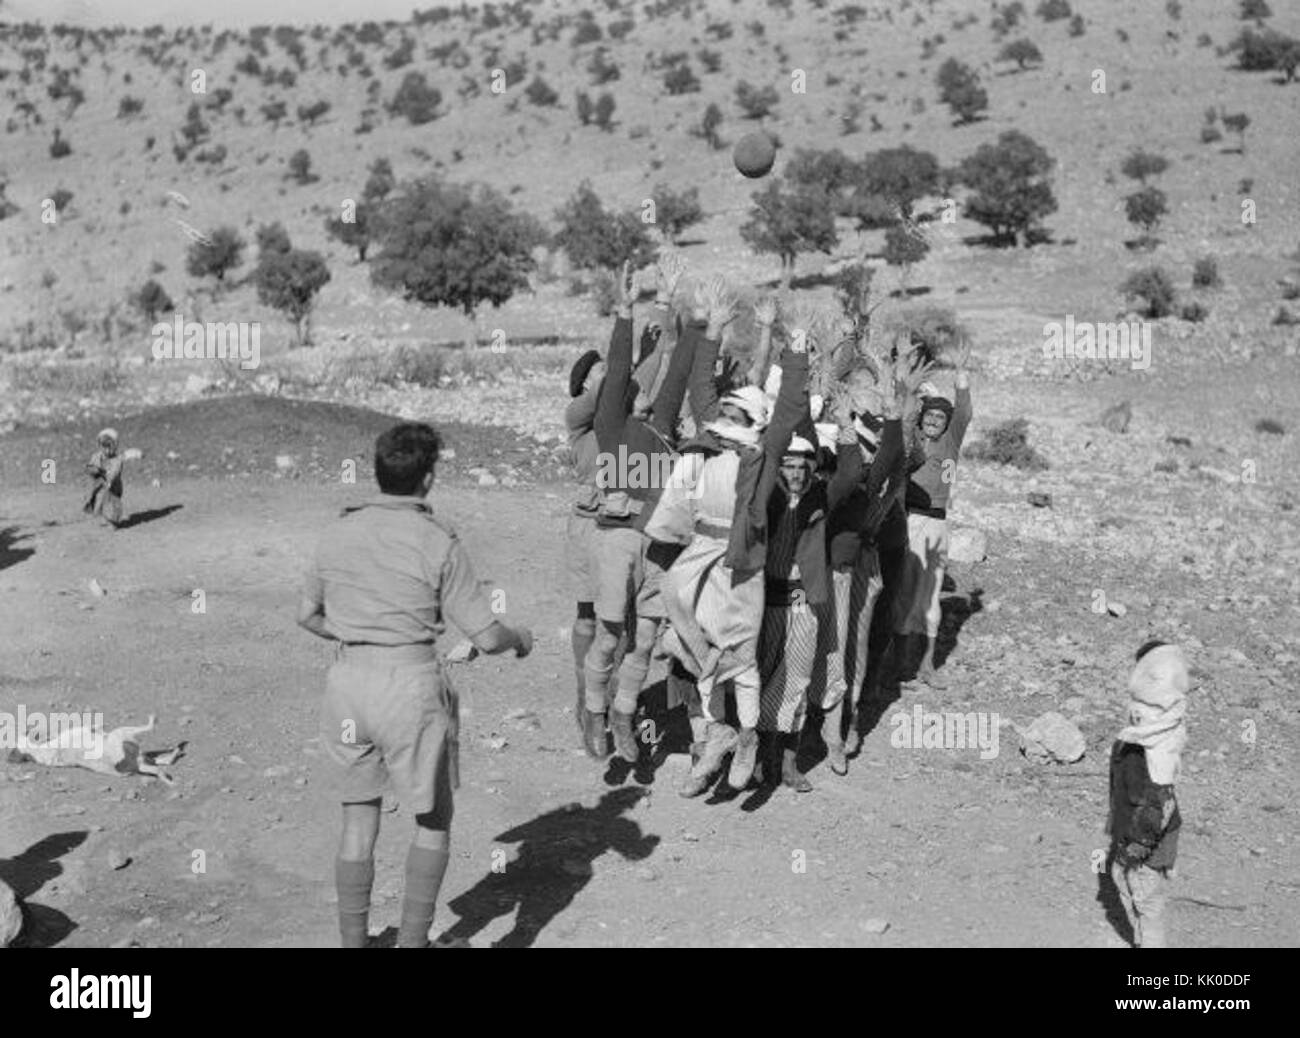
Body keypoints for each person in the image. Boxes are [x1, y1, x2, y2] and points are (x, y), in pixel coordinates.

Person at [297, 421, 533, 949]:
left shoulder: (337, 532)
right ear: (427, 478)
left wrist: (359, 636)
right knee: (432, 818)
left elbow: (306, 615)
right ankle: (412, 943)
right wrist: (520, 638)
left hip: (347, 687)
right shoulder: (437, 540)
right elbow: (486, 636)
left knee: (358, 822)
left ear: (378, 472)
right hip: (409, 689)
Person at [646, 278, 809, 796]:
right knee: (684, 637)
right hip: (698, 554)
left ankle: (747, 738)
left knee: (740, 655)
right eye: (726, 410)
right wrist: (712, 330)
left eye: (737, 413)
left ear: (752, 421)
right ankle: (718, 731)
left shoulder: (761, 457)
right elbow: (701, 387)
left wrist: (795, 349)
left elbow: (788, 411)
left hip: (740, 563)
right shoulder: (708, 443)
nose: (726, 415)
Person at [584, 252, 695, 762]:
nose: (651, 386)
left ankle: (625, 714)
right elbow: (621, 366)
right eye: (638, 384)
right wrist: (627, 310)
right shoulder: (612, 423)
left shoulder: (663, 424)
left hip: (659, 544)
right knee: (610, 637)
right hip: (618, 538)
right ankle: (594, 710)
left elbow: (679, 366)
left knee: (646, 639)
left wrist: (676, 305)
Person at [893, 339, 973, 689]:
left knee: (930, 594)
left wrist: (961, 373)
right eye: (930, 415)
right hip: (906, 518)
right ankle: (898, 666)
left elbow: (964, 412)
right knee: (901, 591)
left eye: (941, 417)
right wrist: (903, 365)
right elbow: (902, 405)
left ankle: (926, 665)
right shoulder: (911, 436)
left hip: (936, 522)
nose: (934, 420)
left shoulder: (950, 442)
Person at [1107, 641, 1189, 949]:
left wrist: (1134, 849)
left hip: (1146, 837)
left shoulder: (1155, 746)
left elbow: (1158, 805)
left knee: (1146, 898)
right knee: (1126, 882)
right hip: (1137, 827)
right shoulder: (1155, 731)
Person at [84, 427, 126, 528]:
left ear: (115, 446)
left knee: (114, 505)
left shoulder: (118, 459)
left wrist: (109, 478)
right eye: (104, 447)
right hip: (99, 486)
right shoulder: (96, 456)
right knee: (99, 503)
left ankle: (114, 522)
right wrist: (93, 470)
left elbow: (115, 472)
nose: (107, 451)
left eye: (110, 447)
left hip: (114, 488)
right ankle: (102, 518)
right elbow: (89, 468)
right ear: (99, 446)